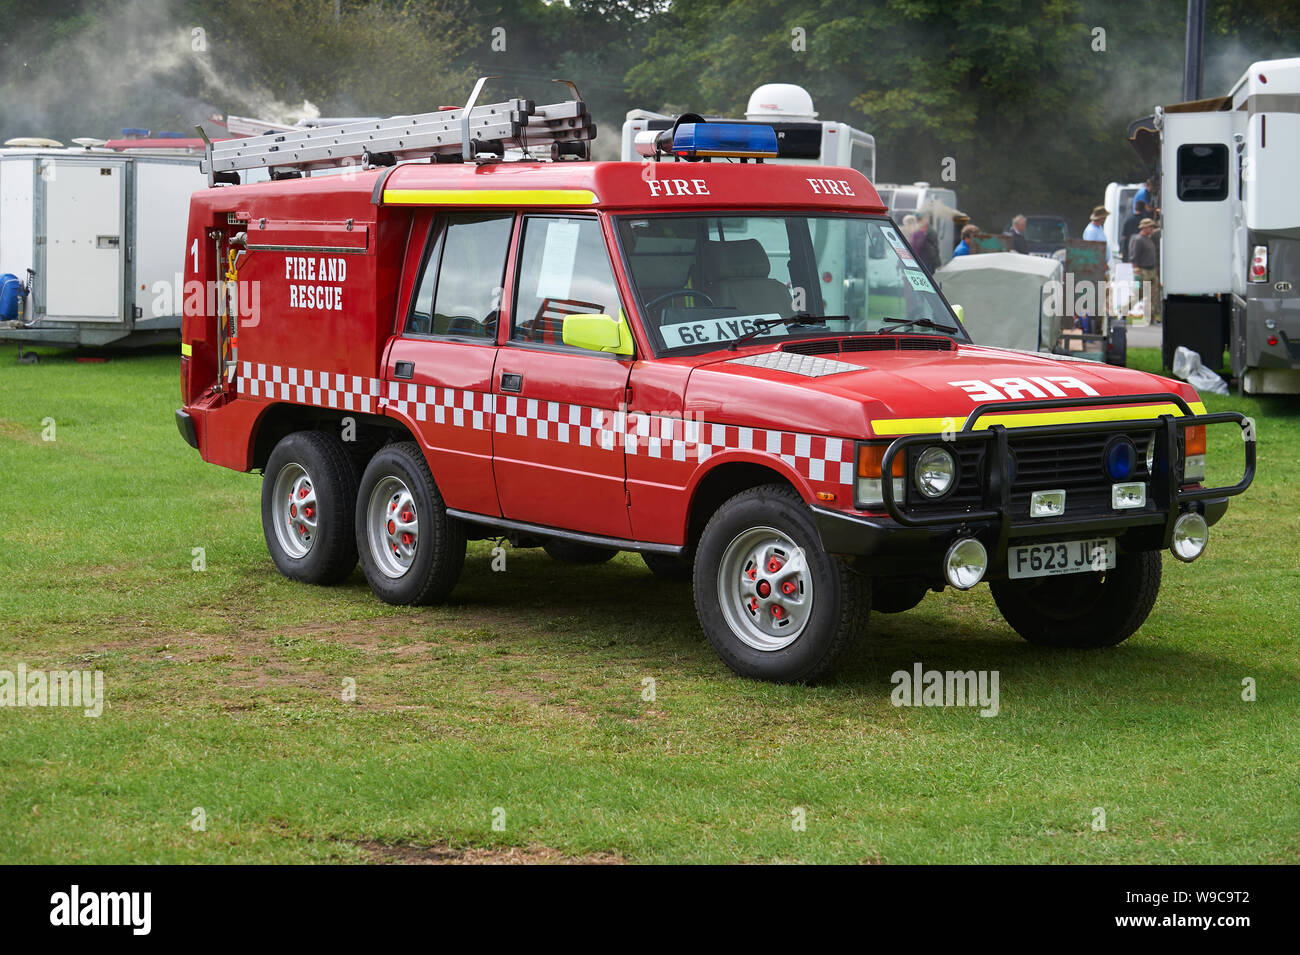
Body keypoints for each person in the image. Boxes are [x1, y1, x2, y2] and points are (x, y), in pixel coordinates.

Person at [1128, 217, 1161, 323]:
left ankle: (1150, 317)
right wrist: (1136, 271)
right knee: (1139, 294)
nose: (1152, 229)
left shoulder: (1149, 239)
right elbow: (1134, 257)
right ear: (1144, 228)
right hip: (1143, 271)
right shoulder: (1138, 240)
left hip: (1152, 270)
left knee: (1153, 295)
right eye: (1150, 227)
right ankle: (1122, 311)